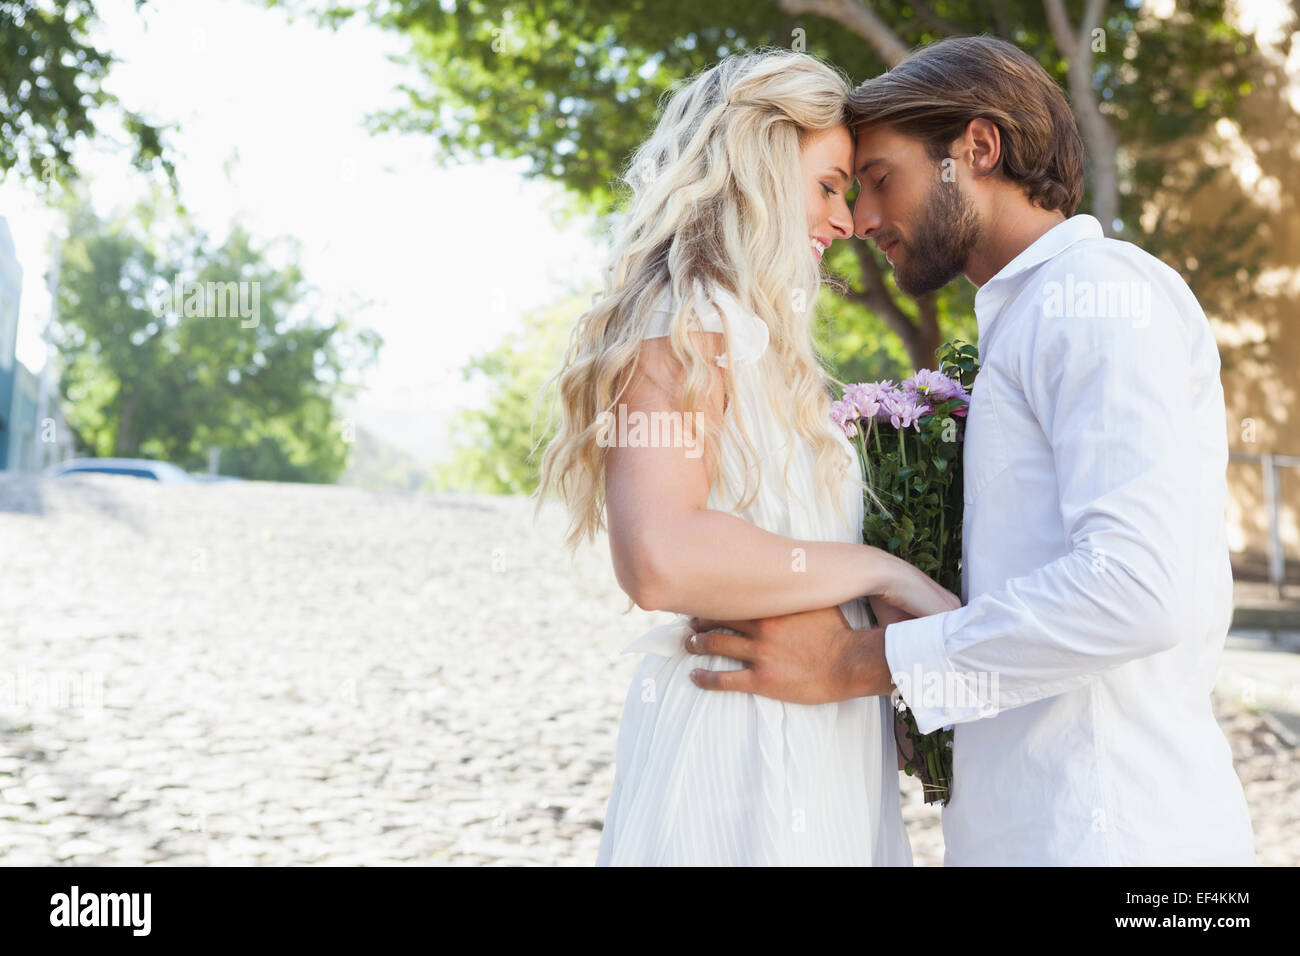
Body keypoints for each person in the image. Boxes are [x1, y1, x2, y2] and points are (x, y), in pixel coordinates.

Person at [537, 49, 959, 866]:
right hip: (739, 760)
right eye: (830, 185)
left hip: (815, 744)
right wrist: (886, 574)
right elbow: (660, 555)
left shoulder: (755, 340)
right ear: (759, 165)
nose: (846, 222)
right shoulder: (681, 321)